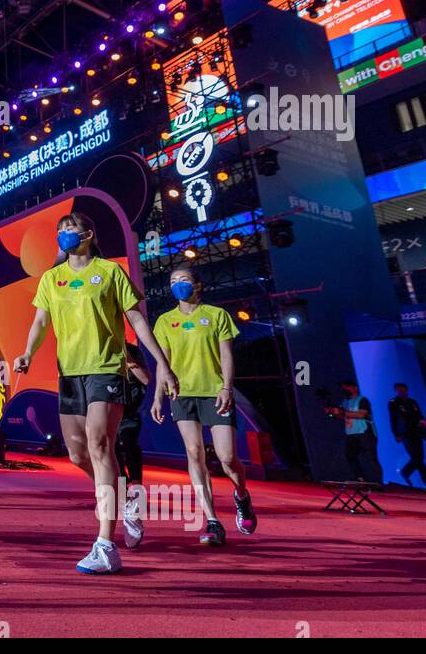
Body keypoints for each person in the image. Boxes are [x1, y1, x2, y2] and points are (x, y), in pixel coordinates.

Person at [13, 212, 177, 574]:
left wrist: (161, 363)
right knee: (76, 454)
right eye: (60, 231)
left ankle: (105, 545)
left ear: (88, 233)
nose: (63, 235)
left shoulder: (111, 272)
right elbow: (41, 321)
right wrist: (27, 352)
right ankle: (124, 499)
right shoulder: (51, 279)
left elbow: (135, 319)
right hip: (68, 373)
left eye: (70, 229)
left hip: (106, 369)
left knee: (100, 443)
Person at [150, 267, 256, 546]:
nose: (178, 285)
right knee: (194, 452)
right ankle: (212, 521)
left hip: (214, 393)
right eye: (173, 282)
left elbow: (226, 355)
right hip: (181, 394)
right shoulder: (164, 321)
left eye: (184, 280)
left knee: (227, 458)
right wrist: (158, 397)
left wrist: (226, 387)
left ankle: (242, 496)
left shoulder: (217, 315)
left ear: (198, 285)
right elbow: (164, 363)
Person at [114, 343, 150, 547]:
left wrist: (129, 361)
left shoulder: (133, 351)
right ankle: (128, 505)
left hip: (128, 414)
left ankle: (134, 499)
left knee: (129, 445)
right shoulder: (96, 346)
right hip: (105, 413)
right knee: (110, 458)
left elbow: (146, 379)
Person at [330, 379, 382, 483]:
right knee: (350, 456)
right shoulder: (345, 402)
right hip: (351, 433)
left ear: (355, 388)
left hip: (365, 432)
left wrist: (343, 412)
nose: (344, 389)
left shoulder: (362, 400)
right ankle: (361, 480)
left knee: (371, 459)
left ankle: (378, 484)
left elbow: (362, 414)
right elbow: (341, 416)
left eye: (346, 387)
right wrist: (332, 413)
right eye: (343, 387)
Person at [389, 383, 426, 489]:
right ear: (396, 391)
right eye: (399, 390)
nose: (402, 392)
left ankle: (406, 472)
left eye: (404, 390)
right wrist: (396, 434)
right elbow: (393, 419)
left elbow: (420, 416)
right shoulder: (393, 403)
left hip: (417, 431)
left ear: (407, 390)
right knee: (416, 457)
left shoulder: (412, 402)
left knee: (420, 457)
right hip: (405, 432)